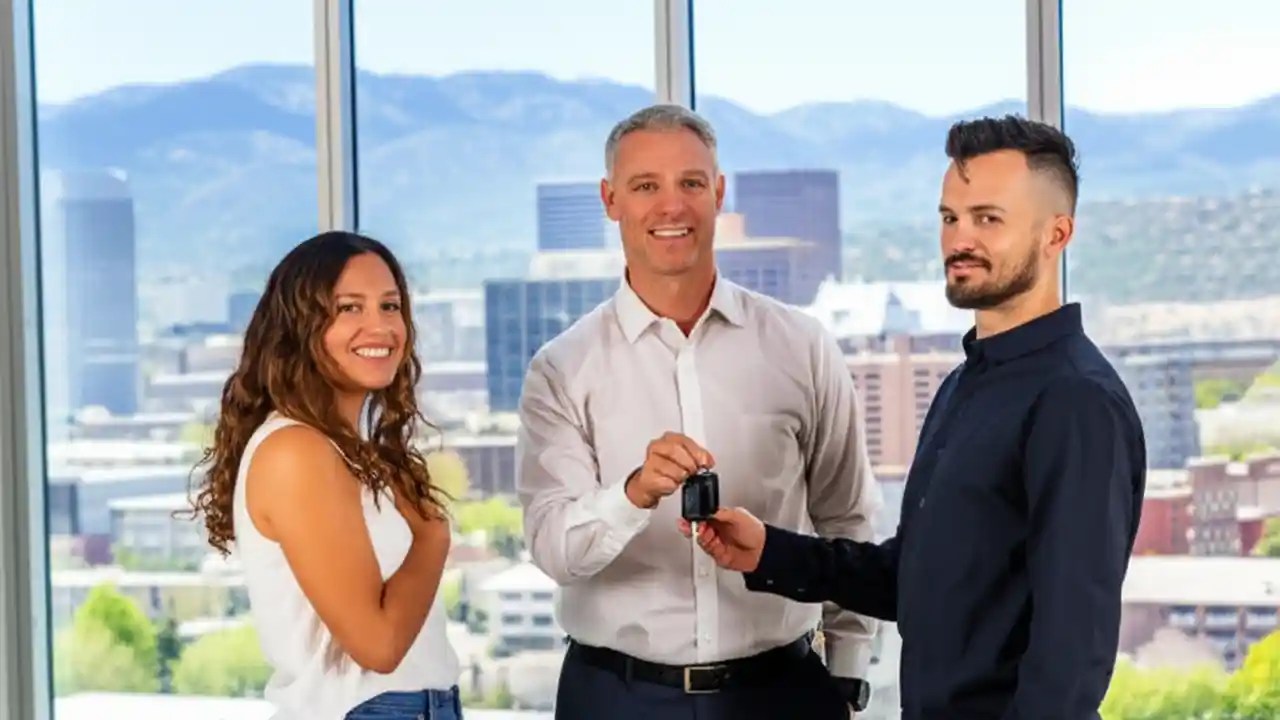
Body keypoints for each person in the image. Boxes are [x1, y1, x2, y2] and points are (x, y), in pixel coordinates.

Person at [684, 115, 1147, 720]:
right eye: (950, 217)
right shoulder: (963, 384)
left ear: (1056, 234)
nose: (960, 239)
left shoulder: (1076, 402)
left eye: (988, 218)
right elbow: (917, 578)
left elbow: (1071, 656)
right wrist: (768, 552)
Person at [516, 103, 880, 720]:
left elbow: (847, 520)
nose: (671, 206)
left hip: (783, 692)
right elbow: (554, 548)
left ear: (718, 193)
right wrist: (633, 493)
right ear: (611, 201)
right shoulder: (561, 368)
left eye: (690, 183)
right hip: (616, 697)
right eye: (645, 186)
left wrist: (845, 677)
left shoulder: (801, 344)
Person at [187, 231, 463, 720]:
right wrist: (432, 537)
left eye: (390, 306)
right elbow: (378, 646)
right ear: (299, 328)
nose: (380, 326)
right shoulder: (297, 450)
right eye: (349, 308)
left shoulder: (344, 448)